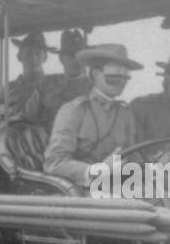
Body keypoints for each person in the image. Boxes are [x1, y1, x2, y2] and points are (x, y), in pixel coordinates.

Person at [43, 42, 140, 187]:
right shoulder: (73, 111)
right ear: (95, 74)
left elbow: (132, 157)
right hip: (84, 193)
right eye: (113, 76)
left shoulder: (125, 114)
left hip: (119, 188)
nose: (120, 82)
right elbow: (54, 162)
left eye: (124, 77)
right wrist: (94, 171)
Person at [22, 29, 92, 127]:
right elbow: (29, 116)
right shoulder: (46, 83)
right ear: (61, 59)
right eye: (72, 55)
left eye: (81, 56)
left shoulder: (94, 89)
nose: (77, 60)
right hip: (45, 138)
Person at [7, 32, 53, 115]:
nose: (33, 58)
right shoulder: (8, 90)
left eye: (38, 54)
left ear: (45, 57)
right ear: (19, 56)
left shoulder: (55, 86)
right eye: (28, 54)